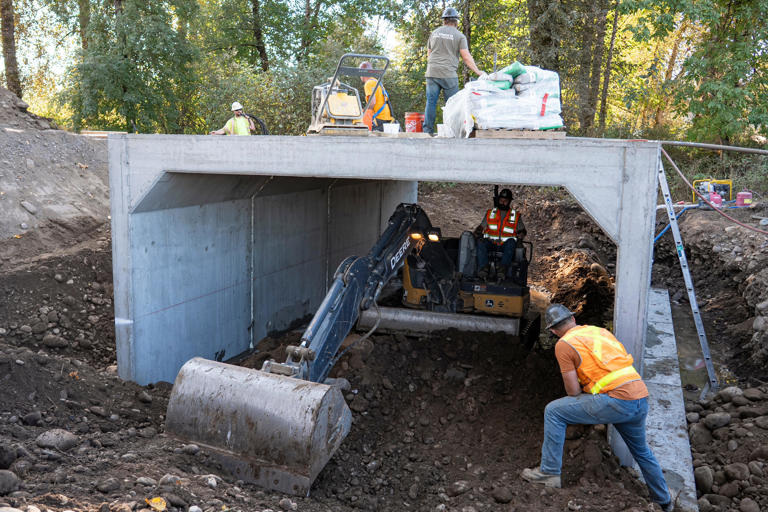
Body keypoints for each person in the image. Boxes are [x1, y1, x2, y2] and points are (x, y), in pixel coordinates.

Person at [521, 304, 674, 512]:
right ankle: (664, 501)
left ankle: (548, 473)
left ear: (554, 331)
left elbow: (573, 391)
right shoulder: (599, 331)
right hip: (639, 396)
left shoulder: (564, 344)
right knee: (642, 452)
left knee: (554, 411)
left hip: (616, 400)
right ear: (573, 320)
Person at [423, 7, 486, 135]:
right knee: (453, 105)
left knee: (431, 102)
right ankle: (452, 132)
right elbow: (466, 57)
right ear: (456, 22)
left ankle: (427, 131)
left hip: (432, 72)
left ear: (444, 21)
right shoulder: (459, 36)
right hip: (448, 74)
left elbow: (429, 55)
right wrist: (478, 71)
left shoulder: (434, 33)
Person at [473, 188, 526, 281]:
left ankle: (502, 269)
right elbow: (481, 227)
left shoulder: (515, 215)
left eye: (505, 201)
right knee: (481, 242)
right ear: (498, 200)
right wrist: (477, 232)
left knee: (512, 242)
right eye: (501, 200)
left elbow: (523, 230)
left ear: (509, 201)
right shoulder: (490, 213)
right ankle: (484, 268)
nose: (503, 202)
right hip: (491, 243)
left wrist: (521, 234)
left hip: (505, 246)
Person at [359, 61, 394, 132]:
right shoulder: (376, 81)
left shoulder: (368, 83)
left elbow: (372, 102)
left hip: (379, 119)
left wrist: (363, 112)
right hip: (387, 117)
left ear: (362, 73)